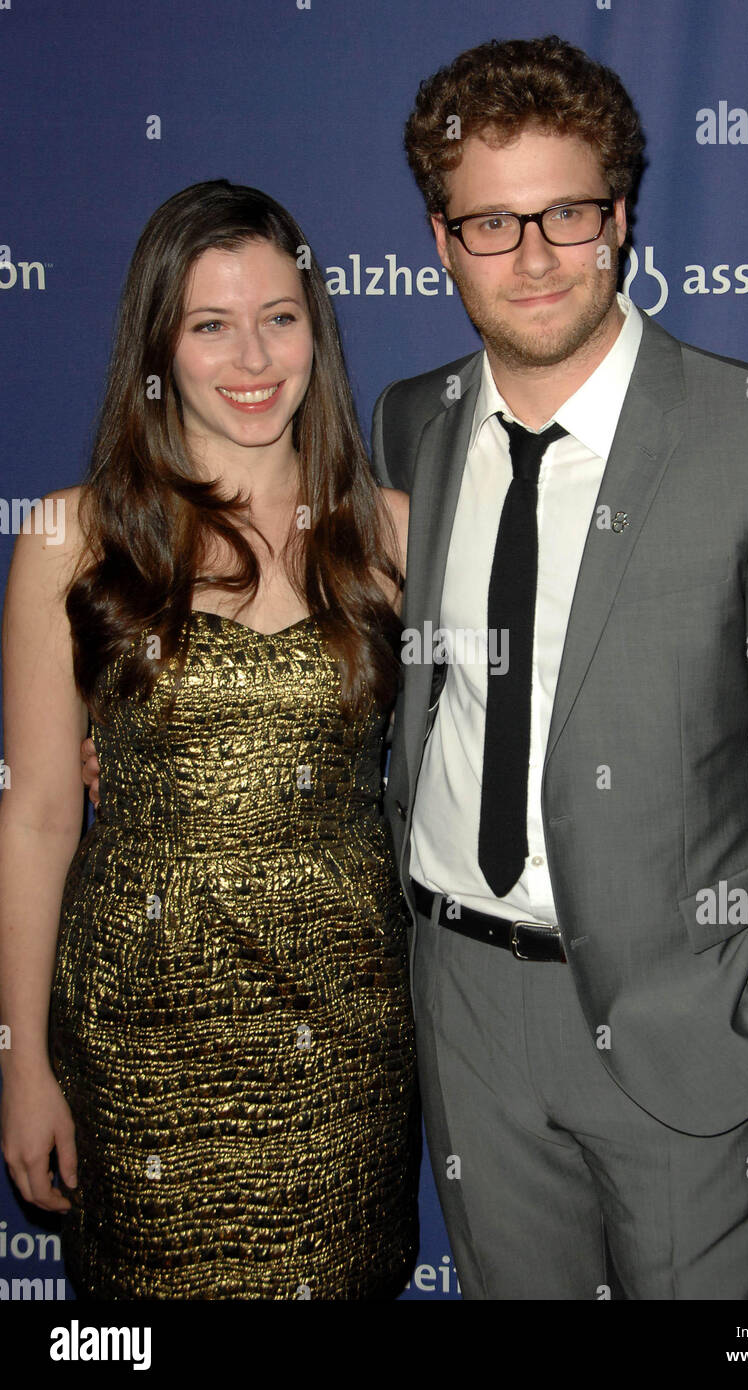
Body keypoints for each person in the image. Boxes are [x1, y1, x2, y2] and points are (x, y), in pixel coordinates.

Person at [367, 36, 748, 1298]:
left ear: (621, 220)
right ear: (440, 243)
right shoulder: (408, 421)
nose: (532, 255)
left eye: (566, 212)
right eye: (489, 222)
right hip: (462, 1007)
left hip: (686, 1016)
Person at [0, 180, 418, 1299]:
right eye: (209, 324)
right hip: (137, 1039)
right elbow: (39, 812)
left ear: (314, 331)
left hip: (342, 1039)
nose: (253, 356)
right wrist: (22, 1061)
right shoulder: (70, 538)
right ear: (159, 345)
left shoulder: (393, 533)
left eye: (279, 317)